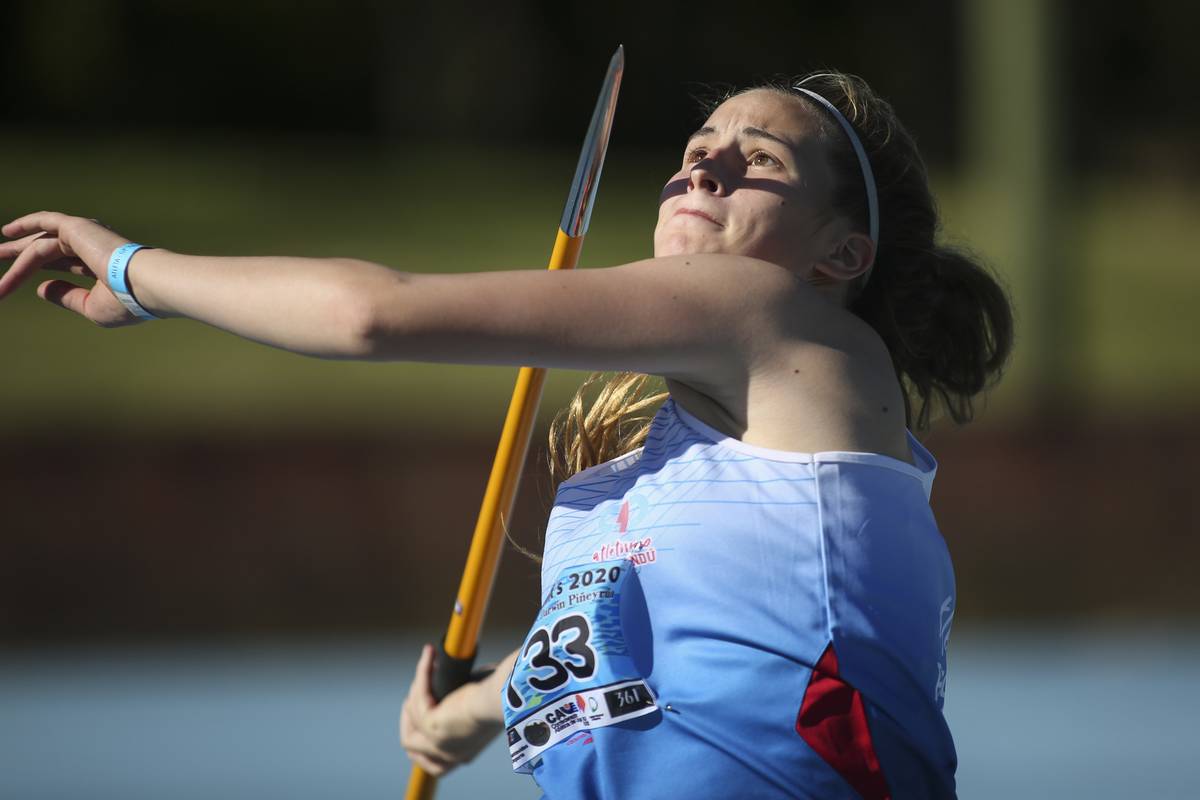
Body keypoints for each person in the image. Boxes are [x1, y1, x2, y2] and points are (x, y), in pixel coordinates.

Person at [0, 71, 1012, 799]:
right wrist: (475, 707)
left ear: (844, 251)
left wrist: (137, 271)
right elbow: (648, 658)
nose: (705, 164)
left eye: (757, 160)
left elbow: (372, 315)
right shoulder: (638, 479)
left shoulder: (787, 324)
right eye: (696, 150)